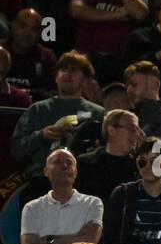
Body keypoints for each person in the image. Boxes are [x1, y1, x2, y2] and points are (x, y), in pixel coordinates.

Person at [10, 50, 102, 181]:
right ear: (56, 77)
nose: (68, 73)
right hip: (40, 179)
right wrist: (41, 135)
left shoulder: (98, 113)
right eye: (63, 69)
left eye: (74, 70)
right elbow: (16, 150)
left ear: (85, 80)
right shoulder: (37, 109)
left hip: (82, 182)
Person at [19, 150, 103, 244]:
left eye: (69, 163)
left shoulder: (93, 204)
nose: (64, 166)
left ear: (75, 172)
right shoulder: (32, 208)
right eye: (57, 162)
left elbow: (90, 242)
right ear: (46, 171)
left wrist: (49, 240)